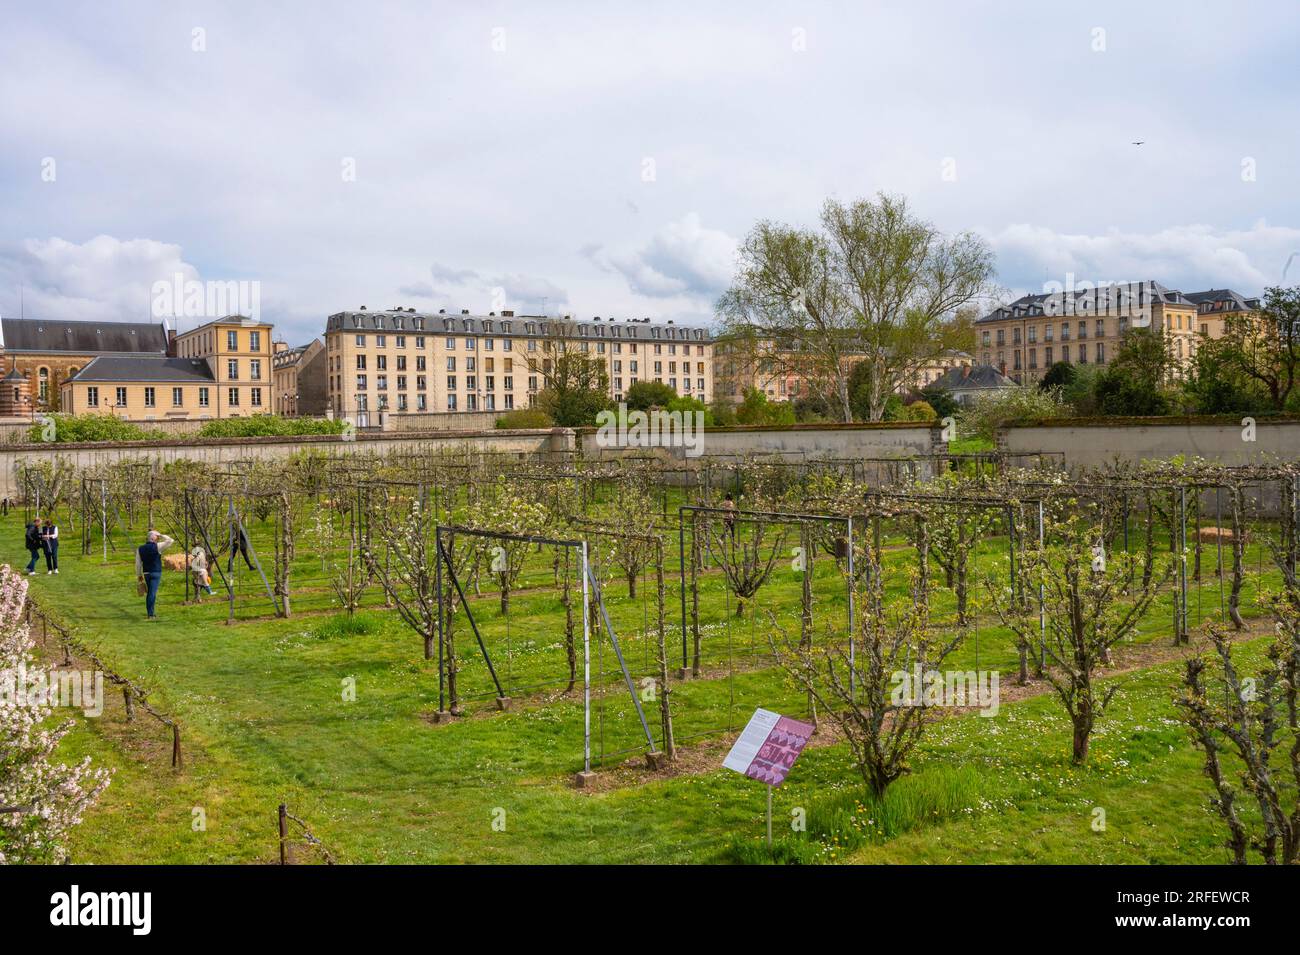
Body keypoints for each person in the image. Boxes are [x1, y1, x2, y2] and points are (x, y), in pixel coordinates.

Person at [135, 530, 174, 620]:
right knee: (152, 593)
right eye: (157, 537)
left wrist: (139, 575)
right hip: (156, 572)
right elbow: (170, 540)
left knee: (151, 593)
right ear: (153, 537)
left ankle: (151, 613)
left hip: (146, 573)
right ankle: (151, 614)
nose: (158, 538)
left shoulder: (140, 548)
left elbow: (138, 563)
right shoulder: (158, 546)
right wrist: (161, 534)